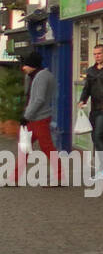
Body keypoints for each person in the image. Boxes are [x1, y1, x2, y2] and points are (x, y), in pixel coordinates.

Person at [79, 43, 103, 180]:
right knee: (95, 137)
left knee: (99, 136)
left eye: (99, 53)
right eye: (95, 54)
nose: (97, 56)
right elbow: (87, 88)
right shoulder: (91, 71)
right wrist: (82, 100)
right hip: (95, 108)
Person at [20, 51, 57, 183]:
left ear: (32, 65)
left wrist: (27, 115)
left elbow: (39, 99)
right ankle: (15, 176)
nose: (23, 68)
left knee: (47, 146)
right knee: (24, 145)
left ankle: (59, 177)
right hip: (34, 117)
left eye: (25, 65)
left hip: (39, 118)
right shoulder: (35, 76)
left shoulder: (41, 77)